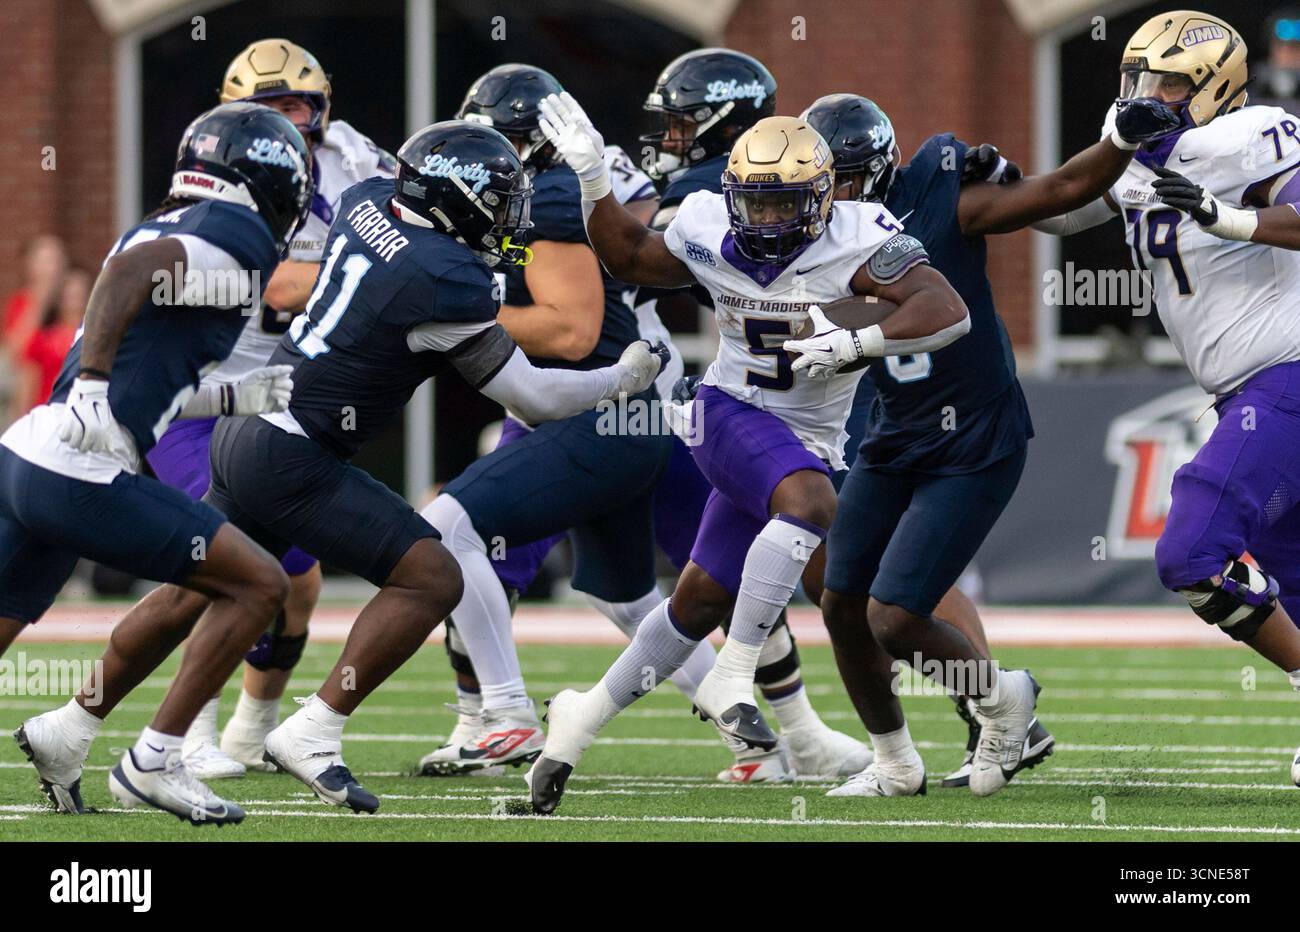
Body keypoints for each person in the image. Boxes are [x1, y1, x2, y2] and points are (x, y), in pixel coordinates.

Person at [19, 120, 667, 818]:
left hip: (250, 429)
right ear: (456, 199)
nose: (508, 219)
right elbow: (533, 394)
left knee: (196, 592)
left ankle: (72, 724)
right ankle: (309, 731)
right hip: (292, 450)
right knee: (432, 574)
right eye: (498, 201)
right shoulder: (446, 277)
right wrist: (618, 380)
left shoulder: (364, 201)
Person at [526, 95, 977, 814]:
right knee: (810, 507)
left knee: (698, 598)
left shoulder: (861, 234)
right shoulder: (706, 219)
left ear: (826, 195)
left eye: (785, 204)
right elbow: (629, 254)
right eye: (755, 203)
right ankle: (734, 673)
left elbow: (947, 309)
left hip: (808, 438)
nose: (767, 219)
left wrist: (860, 339)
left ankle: (578, 722)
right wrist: (592, 182)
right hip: (727, 412)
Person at [794, 88, 1175, 795]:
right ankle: (895, 763)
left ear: (875, 171)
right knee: (840, 602)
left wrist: (1119, 140)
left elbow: (1059, 190)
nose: (830, 198)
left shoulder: (946, 198)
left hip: (973, 435)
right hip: (891, 430)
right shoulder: (808, 231)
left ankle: (1002, 698)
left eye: (842, 182)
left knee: (896, 615)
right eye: (823, 185)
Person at [8, 102, 313, 824]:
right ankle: (156, 760)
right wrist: (90, 384)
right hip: (78, 465)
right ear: (269, 176)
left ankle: (66, 735)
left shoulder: (169, 218)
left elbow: (148, 379)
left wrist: (230, 397)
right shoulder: (235, 231)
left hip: (27, 452)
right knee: (257, 584)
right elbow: (129, 272)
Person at [1042, 10, 1300, 787]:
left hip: (1286, 373)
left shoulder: (1257, 134)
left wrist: (1228, 217)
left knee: (1192, 550)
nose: (1144, 95)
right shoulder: (1130, 147)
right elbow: (1057, 212)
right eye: (1135, 78)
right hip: (1241, 390)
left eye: (1167, 83)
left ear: (1216, 87)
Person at [145, 38, 397, 780]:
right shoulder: (213, 178)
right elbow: (283, 287)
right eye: (267, 108)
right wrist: (369, 265)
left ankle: (252, 733)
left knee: (299, 581)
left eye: (297, 105)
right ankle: (182, 734)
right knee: (225, 561)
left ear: (323, 110)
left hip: (277, 397)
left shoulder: (357, 163)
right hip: (200, 392)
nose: (285, 120)